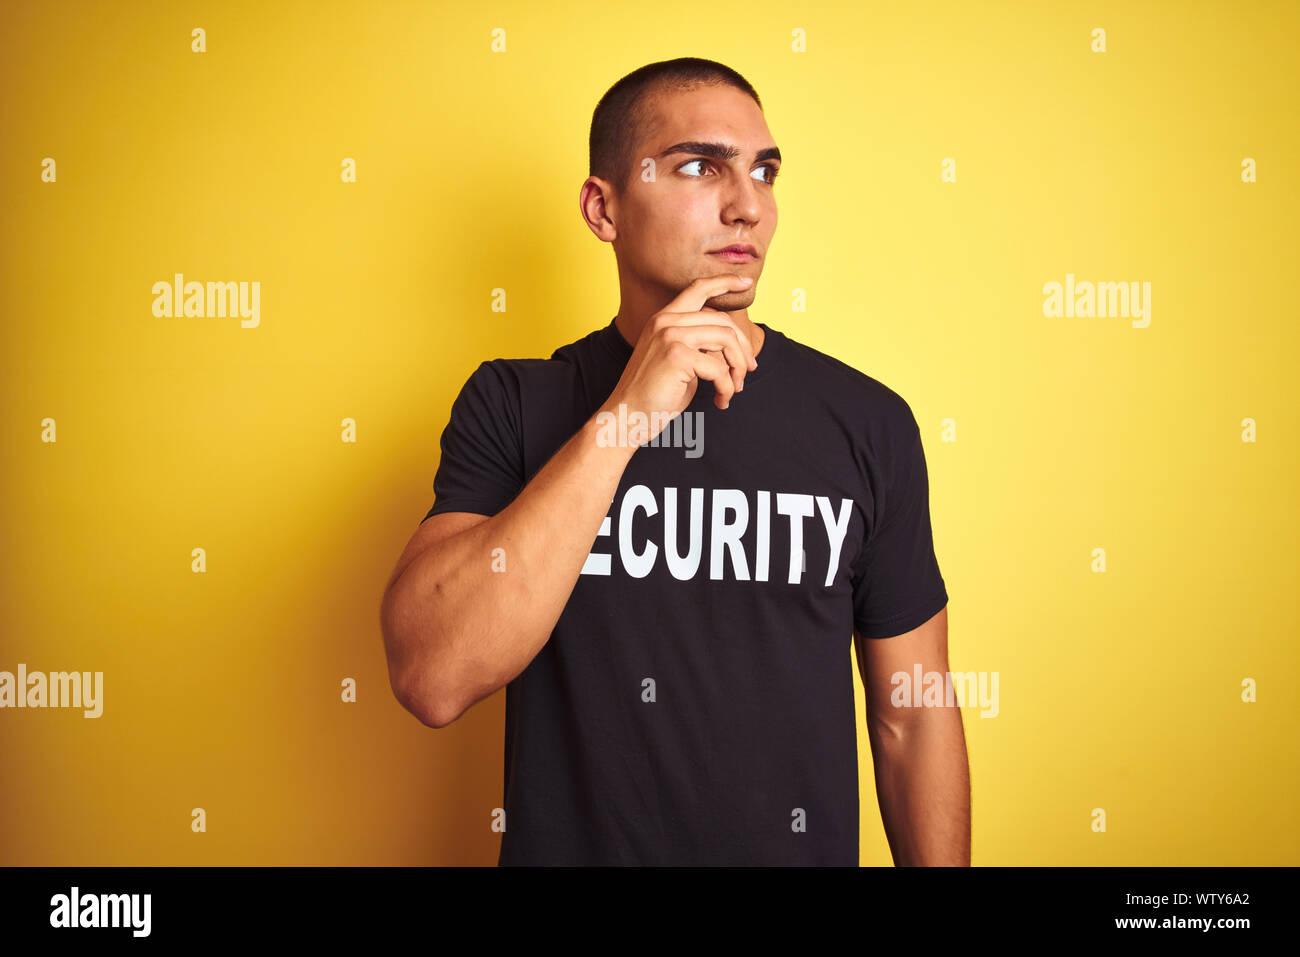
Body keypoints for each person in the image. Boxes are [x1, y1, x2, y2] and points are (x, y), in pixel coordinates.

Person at [380, 57, 970, 866]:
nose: (748, 206)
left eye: (765, 172)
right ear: (603, 207)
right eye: (701, 166)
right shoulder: (516, 404)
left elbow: (915, 713)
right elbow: (432, 676)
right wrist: (625, 418)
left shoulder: (868, 423)